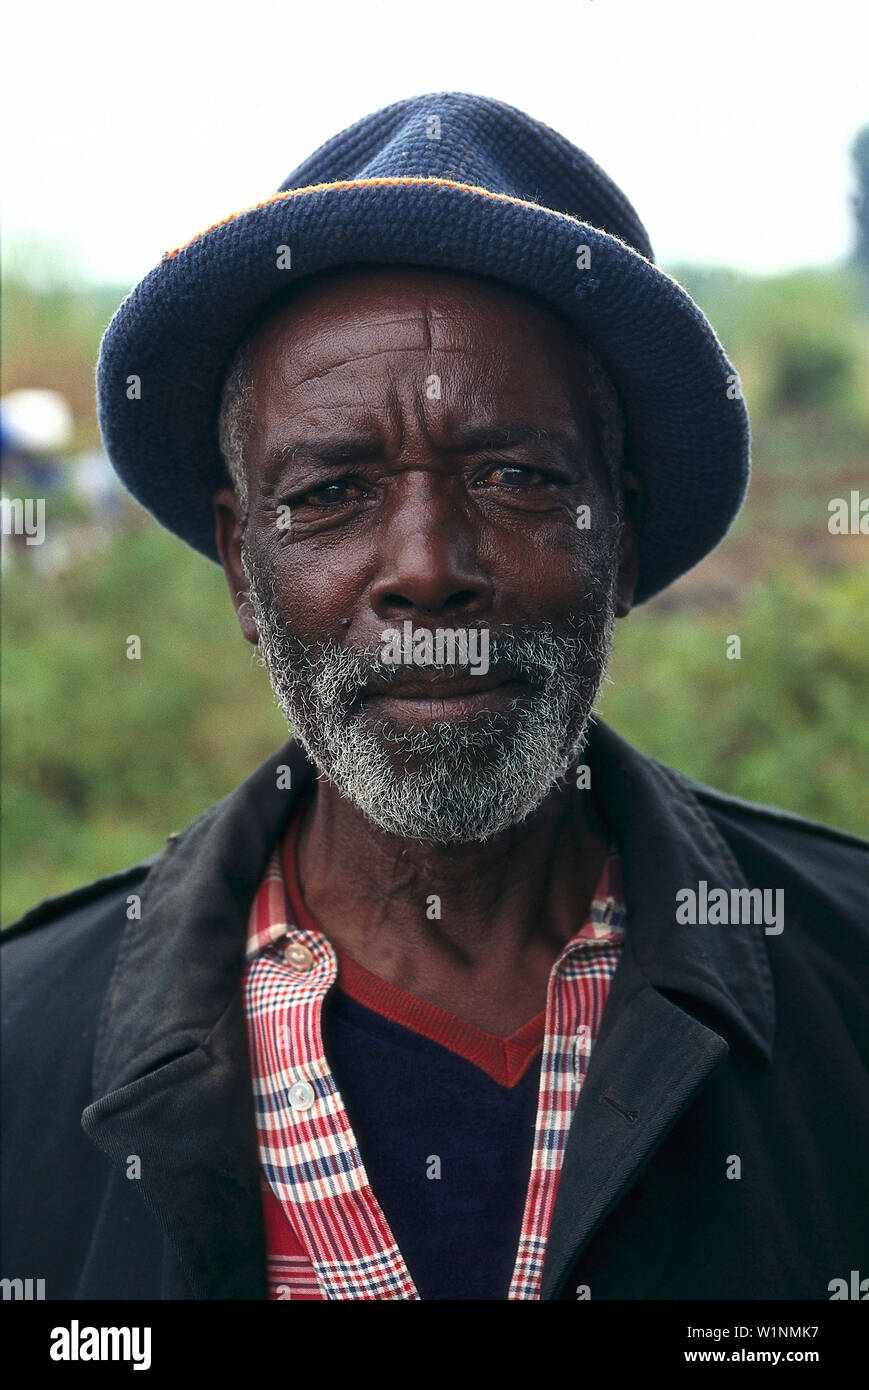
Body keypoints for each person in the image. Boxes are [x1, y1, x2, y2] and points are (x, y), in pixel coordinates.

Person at [2, 93, 867, 1302]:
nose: (424, 567)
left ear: (617, 541)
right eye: (329, 492)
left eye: (515, 476)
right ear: (243, 565)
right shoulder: (25, 1044)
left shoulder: (846, 985)